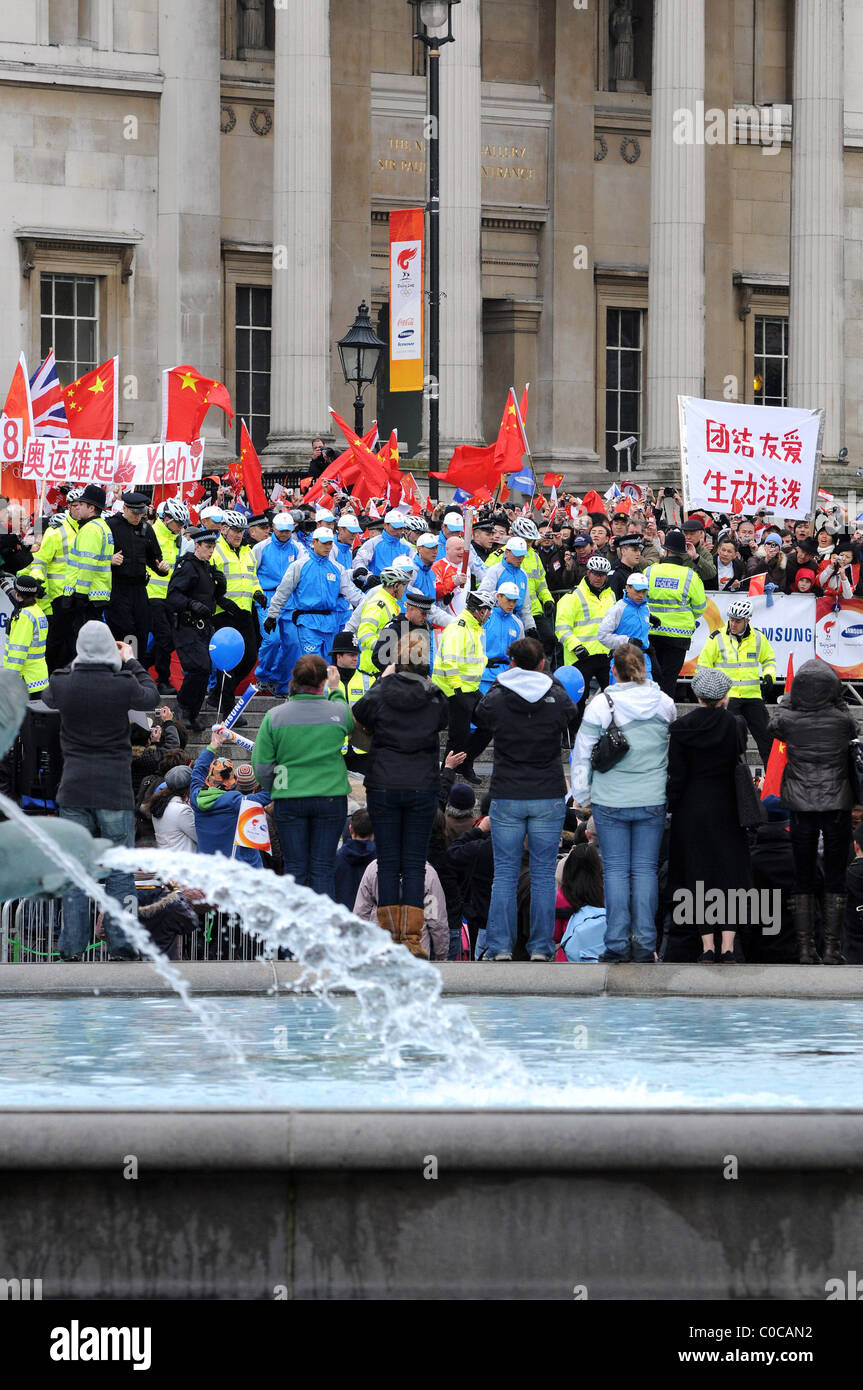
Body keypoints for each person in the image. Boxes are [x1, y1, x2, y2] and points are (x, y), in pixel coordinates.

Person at [44, 621, 159, 960]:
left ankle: (71, 947)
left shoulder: (64, 683)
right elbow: (151, 695)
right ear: (111, 650)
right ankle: (122, 944)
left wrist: (84, 658)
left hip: (74, 790)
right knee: (119, 872)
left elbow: (51, 690)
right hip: (114, 790)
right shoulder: (123, 683)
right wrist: (131, 660)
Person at [471, 636, 576, 961]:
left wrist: (503, 680)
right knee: (544, 874)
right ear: (543, 664)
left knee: (504, 873)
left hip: (508, 793)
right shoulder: (554, 693)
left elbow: (479, 714)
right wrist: (549, 677)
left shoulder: (499, 694)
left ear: (512, 663)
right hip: (547, 794)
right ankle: (541, 948)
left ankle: (501, 947)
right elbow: (570, 712)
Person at [571, 642, 676, 962]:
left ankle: (616, 943)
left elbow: (583, 751)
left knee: (615, 871)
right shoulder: (665, 703)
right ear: (643, 666)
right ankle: (645, 943)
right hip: (651, 797)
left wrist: (583, 795)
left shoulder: (602, 703)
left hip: (610, 800)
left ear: (613, 670)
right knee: (644, 871)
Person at [352, 635, 450, 956]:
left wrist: (383, 679)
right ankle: (411, 940)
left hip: (384, 785)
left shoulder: (381, 692)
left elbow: (360, 711)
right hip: (422, 785)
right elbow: (446, 719)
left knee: (389, 863)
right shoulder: (434, 696)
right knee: (414, 864)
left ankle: (387, 938)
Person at [768, 659, 857, 964]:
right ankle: (832, 948)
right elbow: (852, 723)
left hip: (801, 805)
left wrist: (791, 699)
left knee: (803, 876)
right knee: (835, 876)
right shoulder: (843, 721)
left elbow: (774, 722)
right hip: (836, 805)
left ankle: (806, 949)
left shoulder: (789, 722)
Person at [665, 666, 752, 963]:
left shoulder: (681, 728)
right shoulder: (736, 725)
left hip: (692, 809)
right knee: (730, 874)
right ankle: (728, 945)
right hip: (728, 808)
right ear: (725, 696)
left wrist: (672, 805)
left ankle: (706, 946)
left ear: (696, 694)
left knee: (697, 874)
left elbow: (676, 775)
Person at [251, 654, 352, 897]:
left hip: (290, 797)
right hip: (331, 797)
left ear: (295, 679)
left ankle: (295, 930)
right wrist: (337, 690)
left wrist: (278, 787)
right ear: (323, 681)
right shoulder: (337, 711)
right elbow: (348, 721)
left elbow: (262, 765)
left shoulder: (275, 717)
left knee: (295, 868)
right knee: (323, 869)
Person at [264, 527, 360, 666]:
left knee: (329, 665)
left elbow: (351, 592)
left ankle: (326, 688)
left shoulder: (337, 568)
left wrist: (369, 602)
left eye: (330, 543)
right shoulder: (299, 566)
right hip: (307, 622)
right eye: (324, 543)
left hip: (330, 623)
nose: (327, 547)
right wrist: (272, 615)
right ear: (314, 542)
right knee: (314, 665)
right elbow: (283, 592)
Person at [696, 597, 776, 764]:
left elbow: (769, 660)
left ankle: (773, 783)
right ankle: (732, 781)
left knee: (768, 739)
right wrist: (710, 694)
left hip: (753, 697)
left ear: (747, 620)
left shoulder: (759, 638)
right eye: (731, 619)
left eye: (737, 621)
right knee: (728, 741)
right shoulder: (716, 638)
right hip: (727, 698)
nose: (733, 624)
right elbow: (703, 666)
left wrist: (769, 675)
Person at [166, 528, 228, 731]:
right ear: (198, 546)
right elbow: (173, 596)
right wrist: (191, 604)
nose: (211, 551)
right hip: (187, 626)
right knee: (198, 667)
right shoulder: (188, 567)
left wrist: (220, 585)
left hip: (203, 628)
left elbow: (212, 597)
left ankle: (192, 713)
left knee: (204, 669)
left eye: (213, 547)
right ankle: (183, 708)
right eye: (208, 547)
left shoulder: (207, 568)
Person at [431, 588, 492, 782]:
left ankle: (466, 763)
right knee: (458, 737)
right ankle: (444, 774)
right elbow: (449, 661)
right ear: (479, 610)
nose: (490, 614)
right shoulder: (459, 626)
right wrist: (457, 691)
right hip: (454, 690)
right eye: (488, 610)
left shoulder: (474, 626)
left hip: (470, 689)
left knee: (489, 724)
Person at [190, 729, 270, 867]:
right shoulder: (236, 801)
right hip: (231, 872)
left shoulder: (196, 796)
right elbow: (267, 795)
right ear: (231, 783)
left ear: (209, 779)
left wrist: (213, 745)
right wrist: (264, 762)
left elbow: (197, 773)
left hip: (204, 871)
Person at [105, 490, 169, 661]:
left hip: (139, 589)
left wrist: (162, 568)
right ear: (125, 508)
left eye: (141, 513)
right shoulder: (110, 526)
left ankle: (135, 668)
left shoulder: (146, 529)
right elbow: (95, 554)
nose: (138, 517)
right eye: (135, 513)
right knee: (122, 630)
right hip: (118, 588)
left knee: (141, 630)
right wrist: (108, 559)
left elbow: (155, 559)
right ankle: (118, 670)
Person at [210, 510, 264, 711]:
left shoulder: (248, 551)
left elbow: (253, 578)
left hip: (243, 611)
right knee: (227, 661)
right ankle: (227, 706)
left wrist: (258, 592)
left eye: (241, 530)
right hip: (222, 612)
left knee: (250, 656)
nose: (239, 534)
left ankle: (218, 695)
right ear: (224, 530)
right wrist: (219, 599)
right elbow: (208, 582)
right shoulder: (215, 551)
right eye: (234, 530)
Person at [644, 528, 707, 698]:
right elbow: (700, 607)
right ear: (683, 552)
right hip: (678, 638)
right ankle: (665, 718)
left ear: (666, 550)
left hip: (651, 634)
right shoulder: (690, 576)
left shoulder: (650, 571)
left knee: (650, 678)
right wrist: (687, 615)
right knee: (669, 680)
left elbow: (639, 599)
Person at [555, 554, 615, 710]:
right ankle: (574, 732)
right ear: (588, 572)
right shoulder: (572, 597)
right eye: (595, 573)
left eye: (602, 575)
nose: (599, 578)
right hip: (581, 656)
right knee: (579, 699)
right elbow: (561, 628)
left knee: (614, 697)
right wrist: (576, 646)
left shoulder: (610, 595)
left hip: (605, 654)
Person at [146, 497, 189, 695]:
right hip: (152, 594)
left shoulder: (177, 540)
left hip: (170, 596)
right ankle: (162, 680)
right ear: (167, 519)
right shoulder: (151, 533)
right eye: (178, 523)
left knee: (170, 640)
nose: (180, 527)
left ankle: (143, 665)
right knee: (164, 637)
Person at [62, 484, 114, 634]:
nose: (78, 508)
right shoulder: (102, 526)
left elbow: (87, 565)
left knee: (85, 644)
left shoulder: (90, 529)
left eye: (82, 504)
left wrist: (80, 595)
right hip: (97, 594)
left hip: (88, 597)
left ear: (91, 508)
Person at [597, 571, 653, 679]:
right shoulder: (617, 609)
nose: (641, 595)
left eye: (644, 591)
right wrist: (627, 641)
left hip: (643, 661)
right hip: (622, 661)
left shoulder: (645, 608)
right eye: (638, 591)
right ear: (627, 588)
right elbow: (602, 636)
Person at [557, 842, 606, 963]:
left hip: (568, 959)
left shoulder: (560, 896)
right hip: (602, 957)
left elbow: (555, 935)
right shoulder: (605, 894)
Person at [2, 573, 49, 697]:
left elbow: (17, 652)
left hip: (25, 682)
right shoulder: (37, 611)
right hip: (39, 679)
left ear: (18, 594)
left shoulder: (24, 617)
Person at [356, 567, 410, 673]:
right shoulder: (378, 603)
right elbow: (364, 633)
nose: (404, 589)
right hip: (373, 669)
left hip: (383, 667)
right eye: (403, 585)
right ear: (395, 586)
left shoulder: (390, 602)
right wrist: (384, 649)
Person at [371, 585, 433, 674]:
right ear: (411, 609)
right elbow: (378, 658)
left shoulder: (424, 628)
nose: (425, 617)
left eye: (426, 614)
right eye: (422, 613)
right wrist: (399, 673)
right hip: (396, 682)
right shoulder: (394, 627)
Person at [481, 537, 535, 633]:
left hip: (514, 621)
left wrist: (530, 626)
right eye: (517, 555)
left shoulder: (523, 574)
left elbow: (525, 606)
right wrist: (501, 597)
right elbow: (483, 594)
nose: (520, 558)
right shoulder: (495, 570)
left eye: (522, 555)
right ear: (507, 553)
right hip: (495, 619)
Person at [148, 764, 198, 855]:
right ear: (189, 787)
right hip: (183, 862)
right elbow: (199, 836)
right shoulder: (182, 811)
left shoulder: (159, 805)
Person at [333, 808, 377, 911]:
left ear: (350, 829)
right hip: (370, 920)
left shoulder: (334, 859)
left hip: (341, 918)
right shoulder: (382, 862)